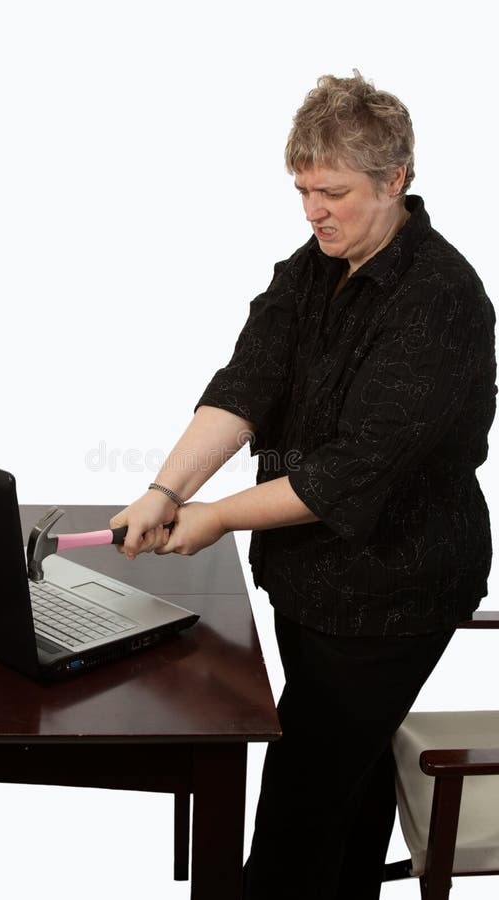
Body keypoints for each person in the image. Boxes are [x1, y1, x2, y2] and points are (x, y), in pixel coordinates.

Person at [109, 71, 496, 899]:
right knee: (342, 783)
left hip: (393, 592)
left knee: (298, 807)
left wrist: (215, 518)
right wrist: (164, 490)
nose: (314, 210)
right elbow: (248, 383)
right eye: (303, 190)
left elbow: (345, 475)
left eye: (334, 191)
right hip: (309, 579)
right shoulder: (314, 267)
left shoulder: (444, 302)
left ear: (396, 180)